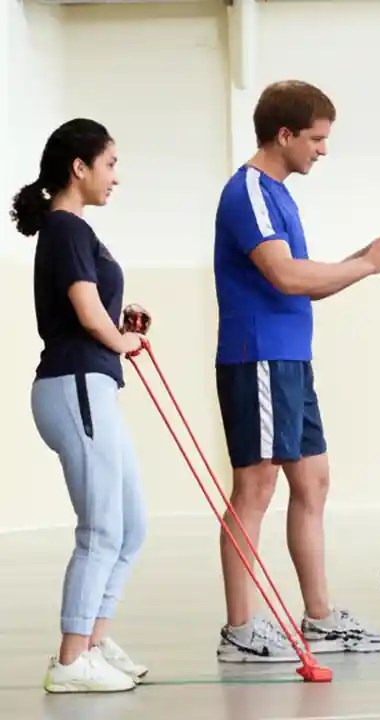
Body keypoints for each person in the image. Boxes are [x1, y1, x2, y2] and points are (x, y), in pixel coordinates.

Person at [211, 80, 380, 662]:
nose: (323, 150)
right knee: (255, 487)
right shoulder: (247, 191)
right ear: (285, 134)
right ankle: (240, 630)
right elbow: (288, 278)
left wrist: (364, 260)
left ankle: (319, 617)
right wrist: (368, 265)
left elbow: (303, 280)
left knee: (313, 480)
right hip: (259, 358)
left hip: (292, 359)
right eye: (317, 139)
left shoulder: (281, 194)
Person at [12, 118, 150, 692]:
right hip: (74, 386)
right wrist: (121, 339)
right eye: (111, 163)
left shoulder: (78, 231)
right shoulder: (66, 229)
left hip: (91, 385)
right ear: (80, 167)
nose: (116, 176)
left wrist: (121, 328)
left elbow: (92, 311)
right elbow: (86, 315)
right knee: (100, 528)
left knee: (131, 526)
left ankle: (93, 640)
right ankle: (70, 662)